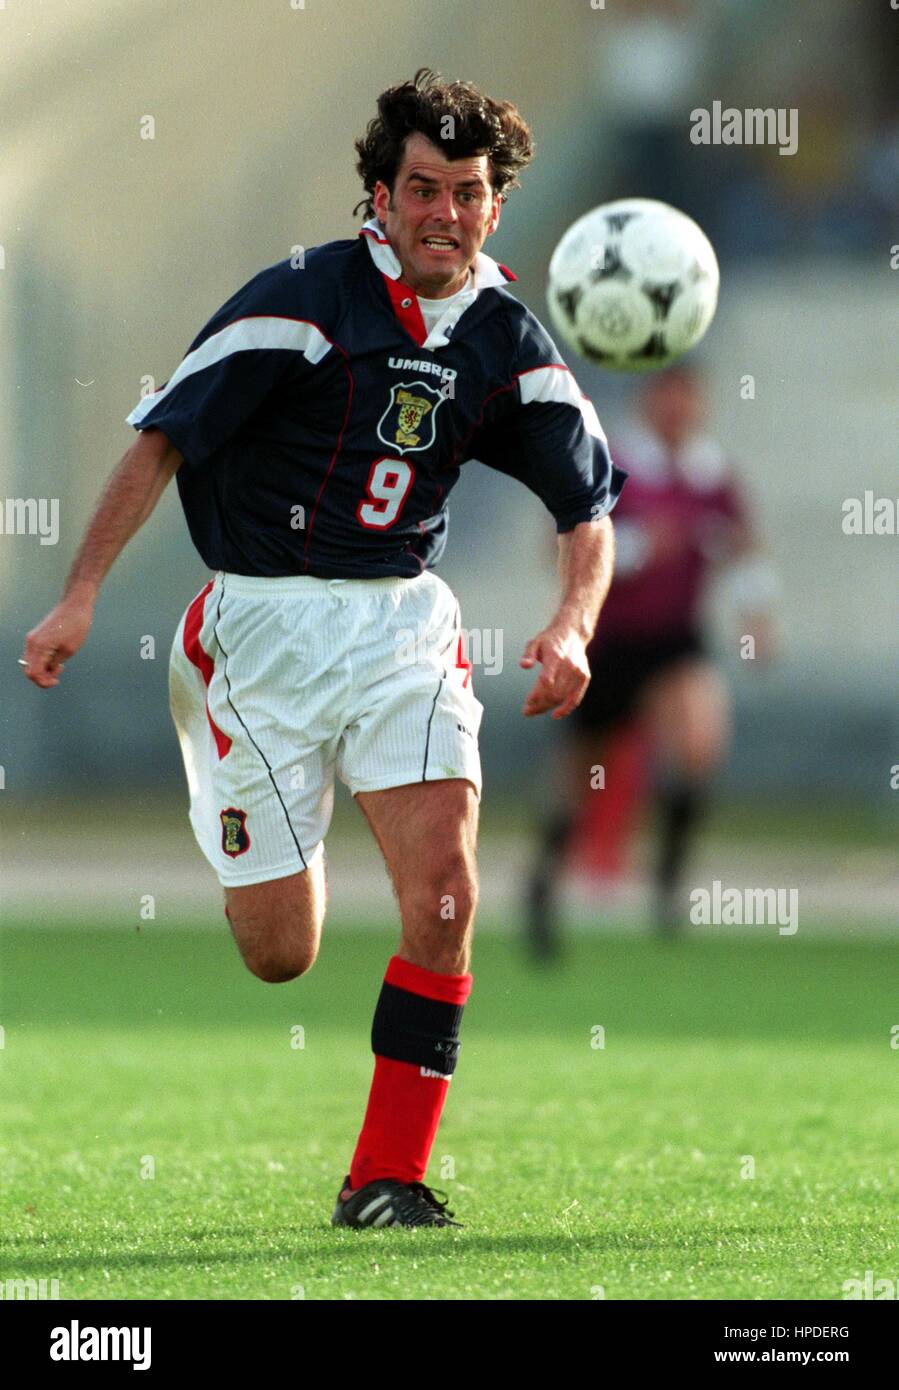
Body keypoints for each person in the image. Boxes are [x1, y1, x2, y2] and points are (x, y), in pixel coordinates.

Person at [22, 69, 624, 1228]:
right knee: (279, 955)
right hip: (257, 631)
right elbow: (159, 441)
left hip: (404, 623)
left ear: (495, 206)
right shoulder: (298, 301)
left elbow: (586, 506)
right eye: (420, 189)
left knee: (443, 898)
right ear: (378, 194)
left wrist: (570, 623)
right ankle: (264, 810)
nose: (441, 212)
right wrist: (80, 595)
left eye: (464, 192)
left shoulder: (504, 335)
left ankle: (384, 1178)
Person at [526, 364, 777, 955]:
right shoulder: (615, 466)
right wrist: (638, 548)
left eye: (687, 397)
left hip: (676, 642)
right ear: (648, 401)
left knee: (698, 740)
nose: (677, 408)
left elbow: (742, 548)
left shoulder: (712, 477)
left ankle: (667, 884)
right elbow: (558, 544)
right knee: (582, 773)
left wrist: (758, 617)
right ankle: (543, 884)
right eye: (667, 396)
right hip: (609, 643)